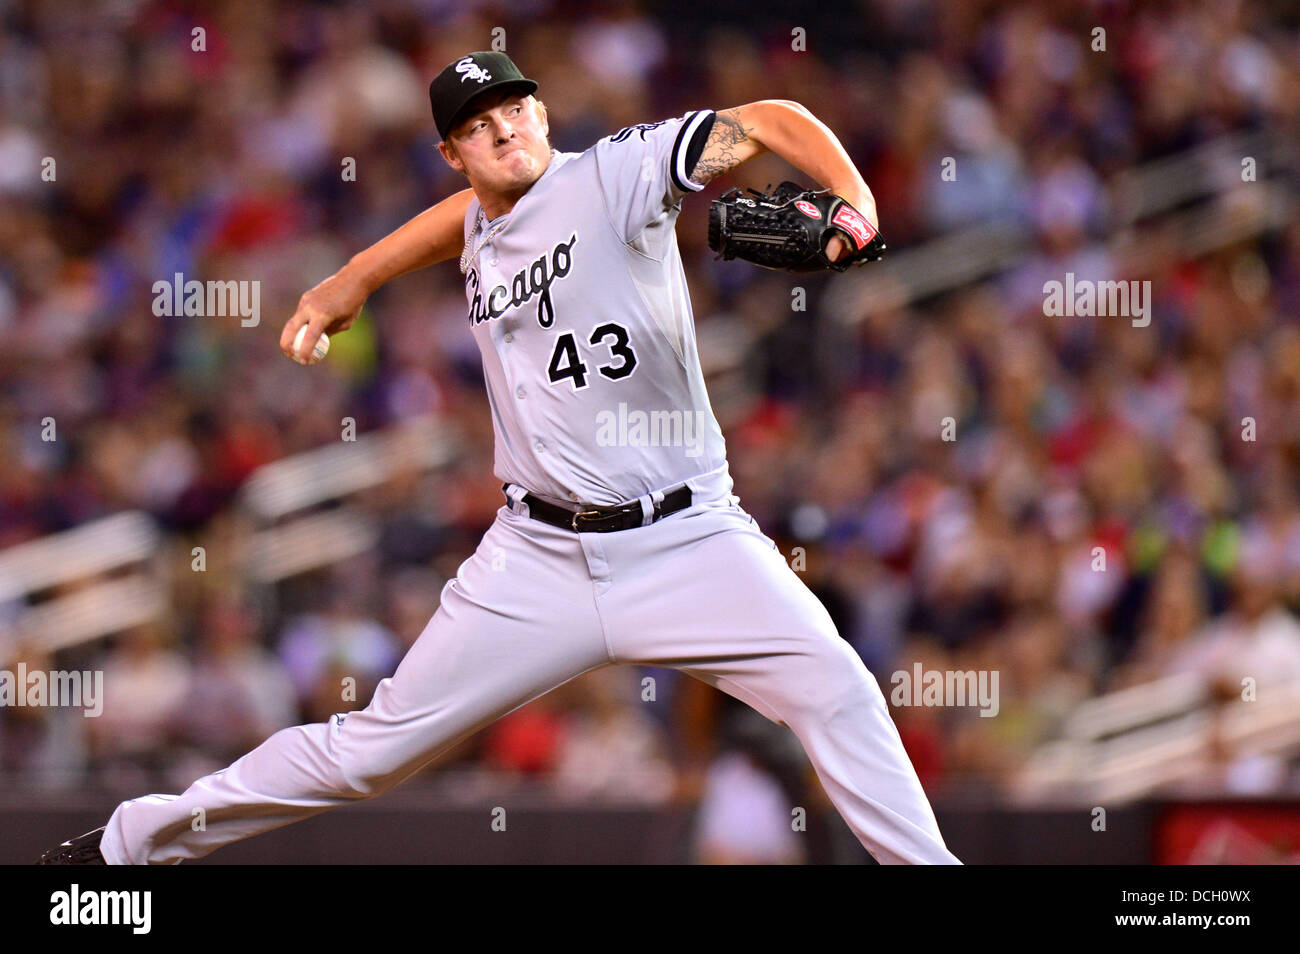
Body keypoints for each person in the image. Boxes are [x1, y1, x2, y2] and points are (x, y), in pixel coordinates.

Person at [40, 50, 960, 865]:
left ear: (543, 112)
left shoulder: (616, 175)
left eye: (515, 109)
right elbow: (464, 222)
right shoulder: (485, 216)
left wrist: (857, 202)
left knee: (837, 691)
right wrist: (352, 278)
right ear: (454, 154)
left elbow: (771, 122)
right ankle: (128, 846)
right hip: (538, 560)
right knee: (369, 753)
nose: (504, 130)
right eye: (477, 128)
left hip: (688, 539)